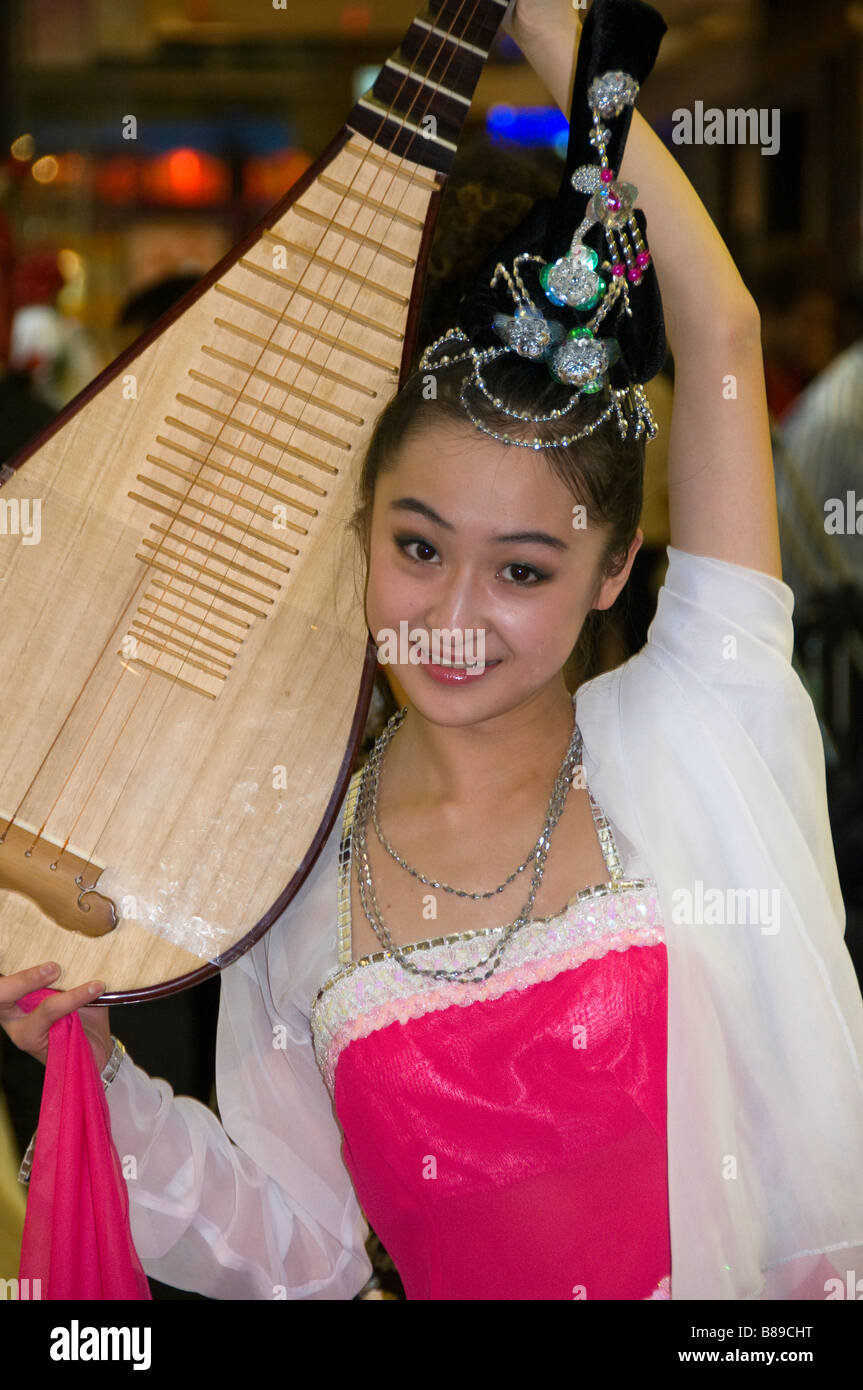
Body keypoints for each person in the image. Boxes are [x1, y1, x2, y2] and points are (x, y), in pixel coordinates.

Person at [2, 0, 862, 1302]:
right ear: (360, 533)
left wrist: (551, 32)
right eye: (418, 546)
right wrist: (104, 1069)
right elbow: (297, 1243)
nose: (455, 610)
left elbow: (724, 331)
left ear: (616, 569)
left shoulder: (699, 727)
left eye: (523, 568)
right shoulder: (291, 865)